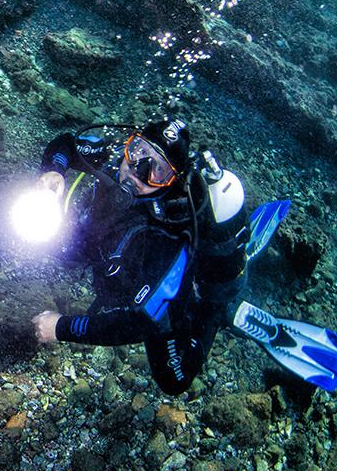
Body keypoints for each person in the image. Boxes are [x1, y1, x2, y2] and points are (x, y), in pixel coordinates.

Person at [29, 119, 250, 395]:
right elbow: (65, 143)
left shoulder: (170, 232)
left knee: (174, 381)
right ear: (129, 145)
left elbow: (139, 324)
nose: (137, 172)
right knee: (57, 245)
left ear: (171, 182)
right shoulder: (115, 158)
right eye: (139, 153)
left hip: (155, 284)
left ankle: (216, 311)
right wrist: (55, 171)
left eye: (158, 170)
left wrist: (61, 327)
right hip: (113, 252)